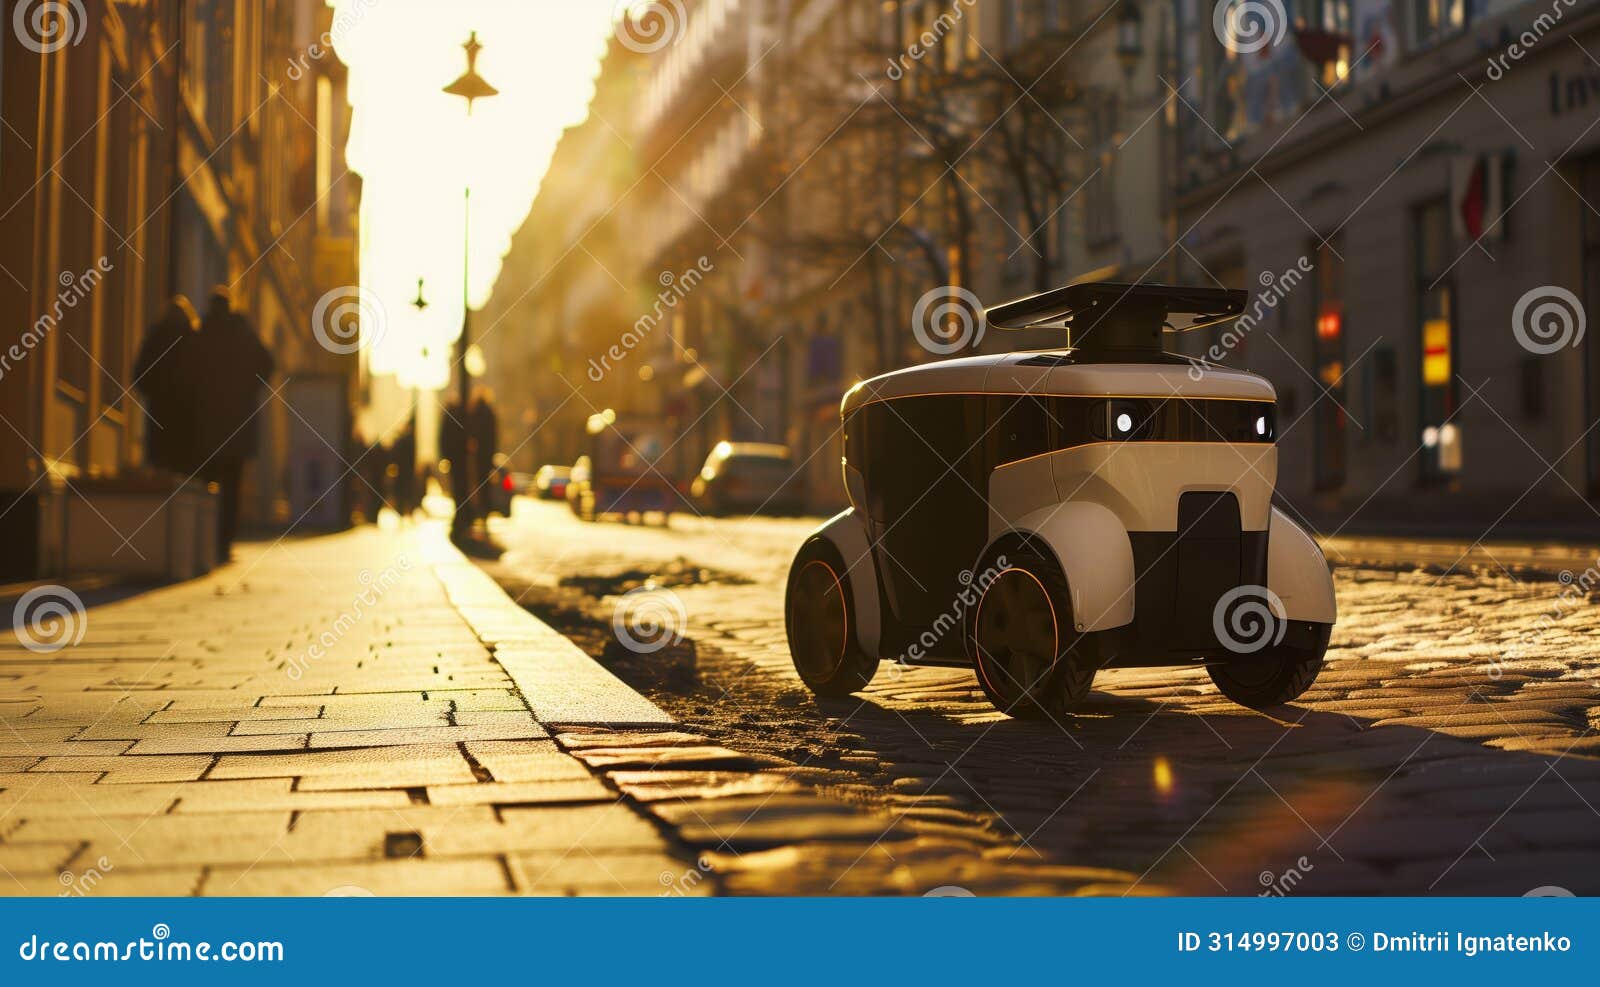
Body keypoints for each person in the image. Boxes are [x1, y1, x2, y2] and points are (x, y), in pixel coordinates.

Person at [187, 286, 275, 562]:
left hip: (206, 426)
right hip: (237, 426)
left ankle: (205, 542)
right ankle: (224, 544)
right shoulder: (242, 333)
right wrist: (248, 388)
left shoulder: (202, 333)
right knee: (231, 488)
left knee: (205, 485)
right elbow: (268, 364)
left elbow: (188, 373)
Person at [133, 295, 199, 472]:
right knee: (182, 464)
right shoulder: (193, 339)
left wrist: (153, 391)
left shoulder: (156, 336)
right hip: (185, 413)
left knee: (159, 462)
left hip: (158, 411)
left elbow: (139, 374)